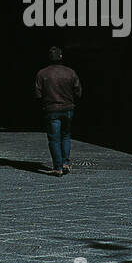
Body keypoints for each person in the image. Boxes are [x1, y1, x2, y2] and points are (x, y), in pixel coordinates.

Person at [34, 46, 82, 176]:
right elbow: (78, 92)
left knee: (54, 139)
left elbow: (38, 95)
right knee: (66, 136)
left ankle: (58, 167)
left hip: (51, 110)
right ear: (61, 57)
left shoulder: (42, 73)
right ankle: (65, 162)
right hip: (68, 108)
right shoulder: (70, 72)